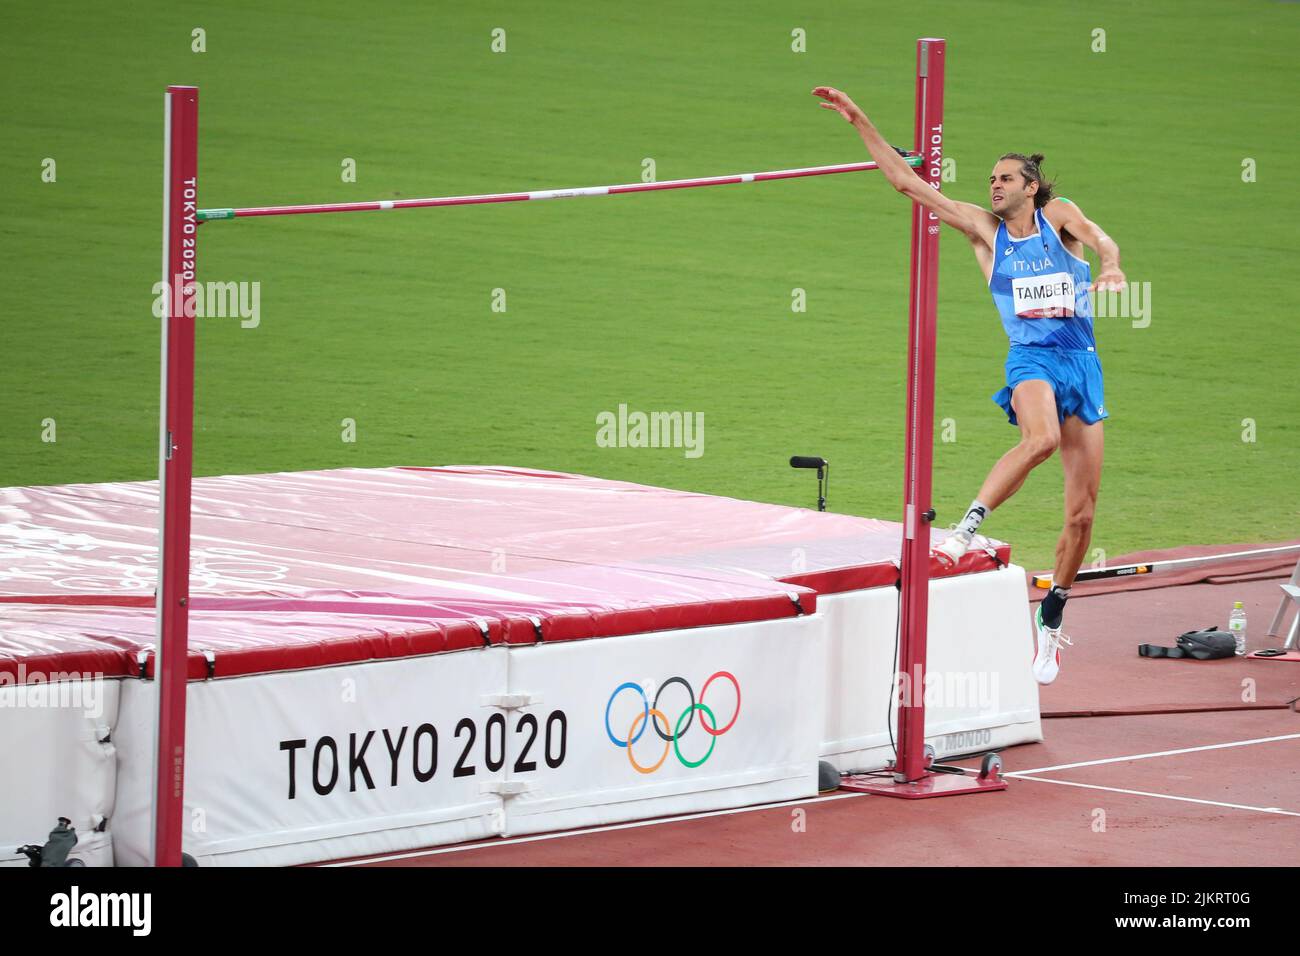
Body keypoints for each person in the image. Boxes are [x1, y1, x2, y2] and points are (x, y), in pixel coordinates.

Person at [812, 86, 1127, 684]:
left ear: (1030, 186)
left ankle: (1052, 619)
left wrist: (1109, 263)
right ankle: (966, 529)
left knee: (1082, 516)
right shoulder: (985, 232)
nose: (995, 186)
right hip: (1030, 360)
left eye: (1006, 179)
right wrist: (861, 120)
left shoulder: (1058, 220)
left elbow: (1099, 236)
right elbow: (910, 186)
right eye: (991, 179)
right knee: (1039, 441)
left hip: (1083, 363)